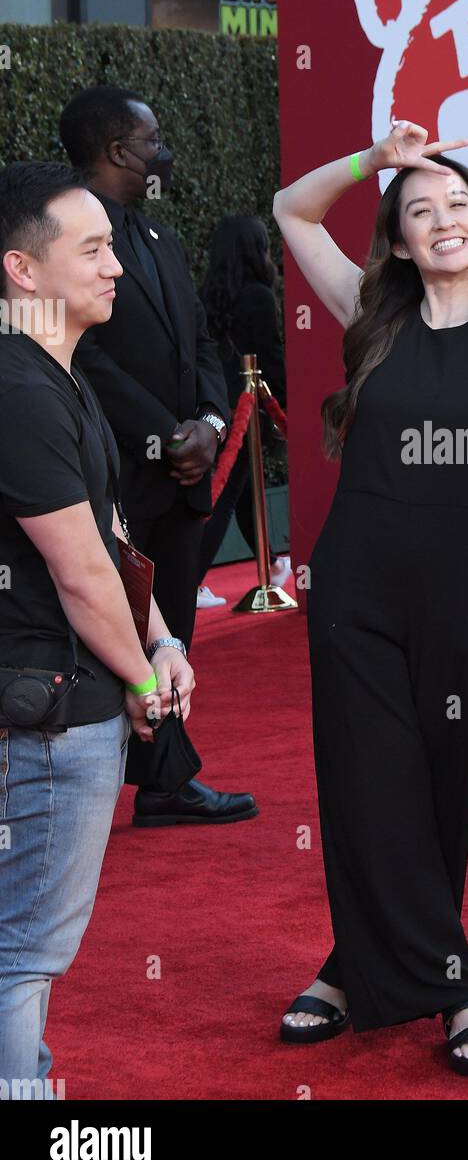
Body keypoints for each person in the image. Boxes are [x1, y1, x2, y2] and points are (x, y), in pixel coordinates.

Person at [273, 119, 468, 1075]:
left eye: (456, 204)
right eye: (420, 210)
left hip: (464, 603)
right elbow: (292, 207)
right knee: (367, 787)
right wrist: (376, 158)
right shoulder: (369, 309)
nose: (442, 219)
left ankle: (352, 966)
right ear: (399, 240)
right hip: (355, 595)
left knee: (439, 789)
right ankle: (453, 988)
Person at [0, 162, 195, 1093]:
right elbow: (78, 575)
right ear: (23, 270)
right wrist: (148, 680)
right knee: (21, 952)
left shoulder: (57, 374)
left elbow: (112, 541)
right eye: (91, 249)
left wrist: (160, 641)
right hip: (41, 714)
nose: (114, 266)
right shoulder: (18, 388)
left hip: (67, 698)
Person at [58, 86, 256, 827]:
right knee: (103, 626)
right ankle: (81, 785)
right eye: (153, 139)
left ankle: (165, 780)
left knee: (169, 626)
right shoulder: (63, 234)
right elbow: (82, 352)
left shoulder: (157, 238)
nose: (162, 151)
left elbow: (202, 340)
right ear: (116, 150)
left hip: (180, 476)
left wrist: (205, 423)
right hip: (110, 473)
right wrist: (164, 433)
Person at [197, 214, 290, 593]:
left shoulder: (209, 295)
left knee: (241, 488)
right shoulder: (258, 296)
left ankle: (268, 562)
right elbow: (271, 357)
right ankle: (191, 580)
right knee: (225, 495)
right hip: (245, 408)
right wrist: (288, 411)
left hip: (218, 405)